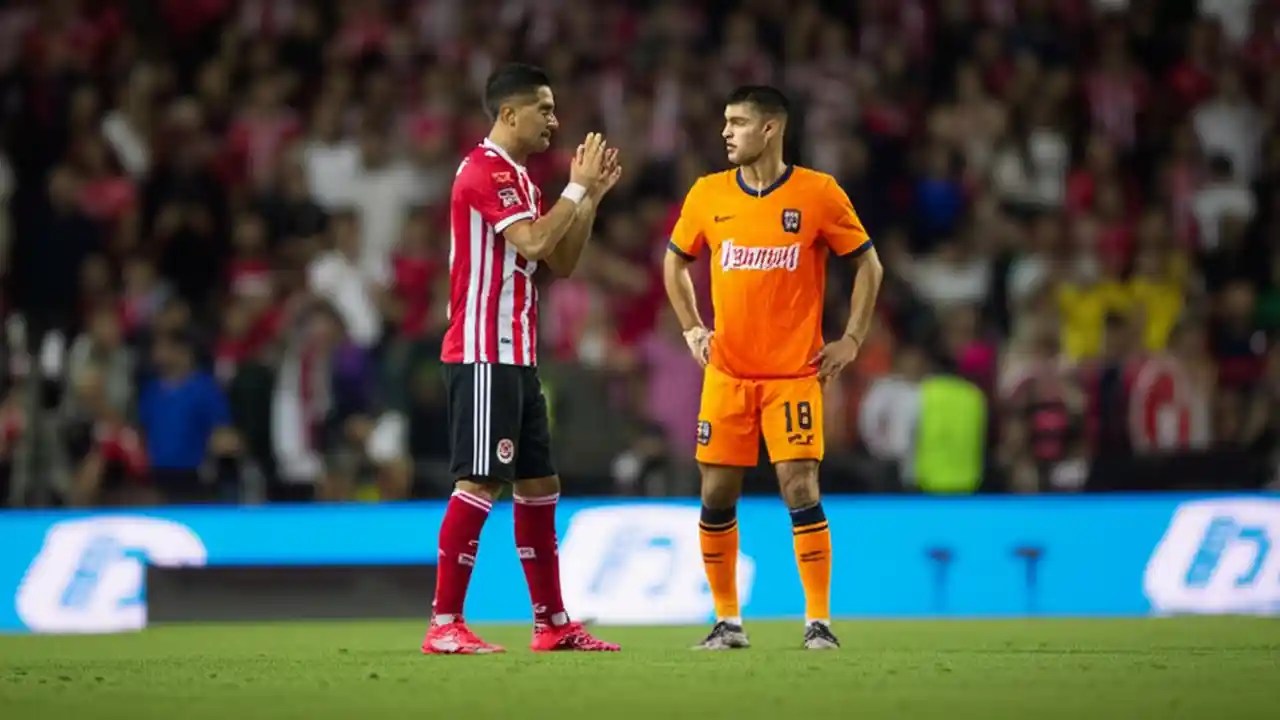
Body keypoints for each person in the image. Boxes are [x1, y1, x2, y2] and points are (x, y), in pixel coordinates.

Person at [663, 86, 884, 650]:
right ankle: (727, 621)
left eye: (737, 122)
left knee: (800, 485)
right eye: (725, 122)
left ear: (770, 129)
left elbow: (868, 265)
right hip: (728, 375)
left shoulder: (818, 194)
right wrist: (692, 326)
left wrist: (852, 338)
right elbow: (675, 261)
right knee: (715, 495)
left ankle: (818, 622)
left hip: (793, 376)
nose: (725, 132)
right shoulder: (708, 194)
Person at [421, 63, 623, 655]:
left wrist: (588, 203)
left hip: (519, 355)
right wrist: (575, 190)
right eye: (545, 109)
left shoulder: (524, 181)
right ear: (509, 113)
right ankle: (445, 623)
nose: (555, 121)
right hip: (483, 352)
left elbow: (560, 263)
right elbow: (534, 241)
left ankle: (552, 621)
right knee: (480, 480)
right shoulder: (483, 171)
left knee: (540, 484)